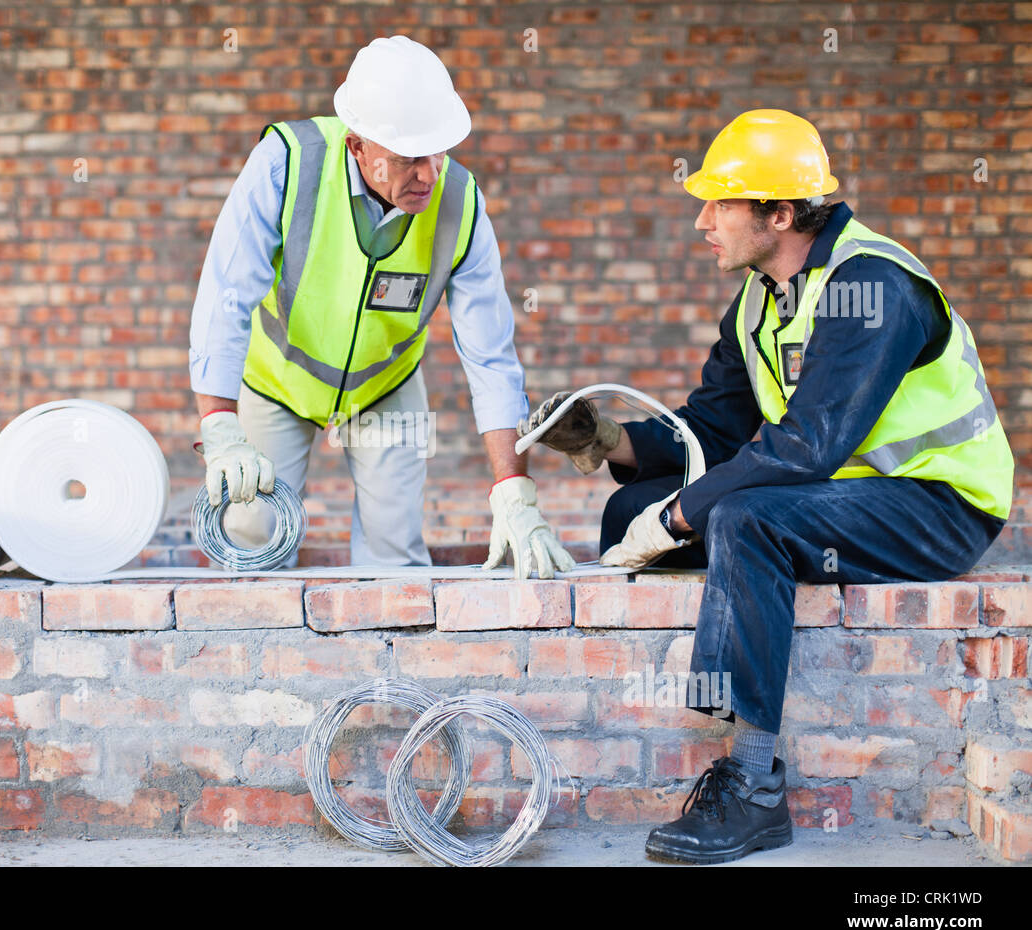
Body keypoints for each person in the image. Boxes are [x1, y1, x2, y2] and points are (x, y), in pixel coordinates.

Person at [521, 109, 1014, 863]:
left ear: (781, 213)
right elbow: (712, 433)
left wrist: (684, 515)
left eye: (721, 203)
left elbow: (809, 447)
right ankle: (634, 702)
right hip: (832, 503)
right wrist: (610, 442)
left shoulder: (872, 286)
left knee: (743, 519)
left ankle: (753, 788)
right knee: (629, 509)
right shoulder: (759, 300)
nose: (702, 222)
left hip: (938, 506)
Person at [189, 35, 573, 577]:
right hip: (277, 381)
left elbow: (491, 357)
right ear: (357, 148)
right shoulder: (287, 164)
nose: (430, 174)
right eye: (409, 158)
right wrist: (221, 429)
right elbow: (224, 298)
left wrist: (515, 490)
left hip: (387, 386)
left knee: (396, 557)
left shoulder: (460, 203)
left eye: (438, 151)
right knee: (252, 545)